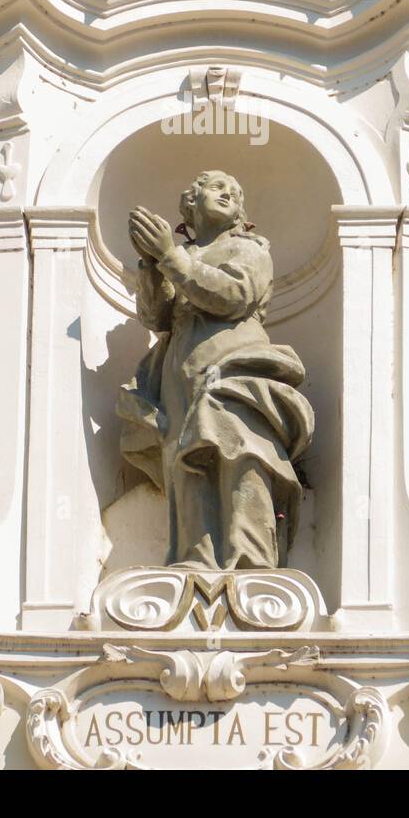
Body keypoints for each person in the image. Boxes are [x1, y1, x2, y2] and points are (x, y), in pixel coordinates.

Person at [117, 169, 313, 570]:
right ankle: (196, 558)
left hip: (235, 367)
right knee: (186, 459)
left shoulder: (249, 250)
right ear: (190, 201)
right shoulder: (182, 257)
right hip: (181, 373)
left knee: (241, 451)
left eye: (236, 192)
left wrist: (170, 256)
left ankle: (250, 558)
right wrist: (152, 263)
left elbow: (233, 297)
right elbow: (157, 317)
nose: (228, 194)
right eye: (216, 187)